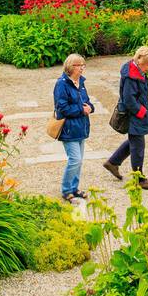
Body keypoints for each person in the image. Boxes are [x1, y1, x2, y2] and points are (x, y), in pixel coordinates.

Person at [103, 45, 148, 190]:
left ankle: (113, 162)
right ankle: (139, 178)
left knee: (134, 140)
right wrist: (141, 111)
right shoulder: (131, 76)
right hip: (133, 114)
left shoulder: (136, 71)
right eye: (147, 65)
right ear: (139, 60)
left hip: (137, 113)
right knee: (138, 145)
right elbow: (128, 99)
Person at [53, 53, 93, 203]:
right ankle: (66, 190)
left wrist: (90, 107)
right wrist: (81, 110)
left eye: (83, 65)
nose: (82, 68)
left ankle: (74, 188)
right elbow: (61, 108)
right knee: (75, 159)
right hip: (69, 129)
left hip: (81, 127)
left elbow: (87, 101)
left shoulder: (80, 82)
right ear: (71, 67)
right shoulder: (62, 84)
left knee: (79, 160)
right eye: (79, 65)